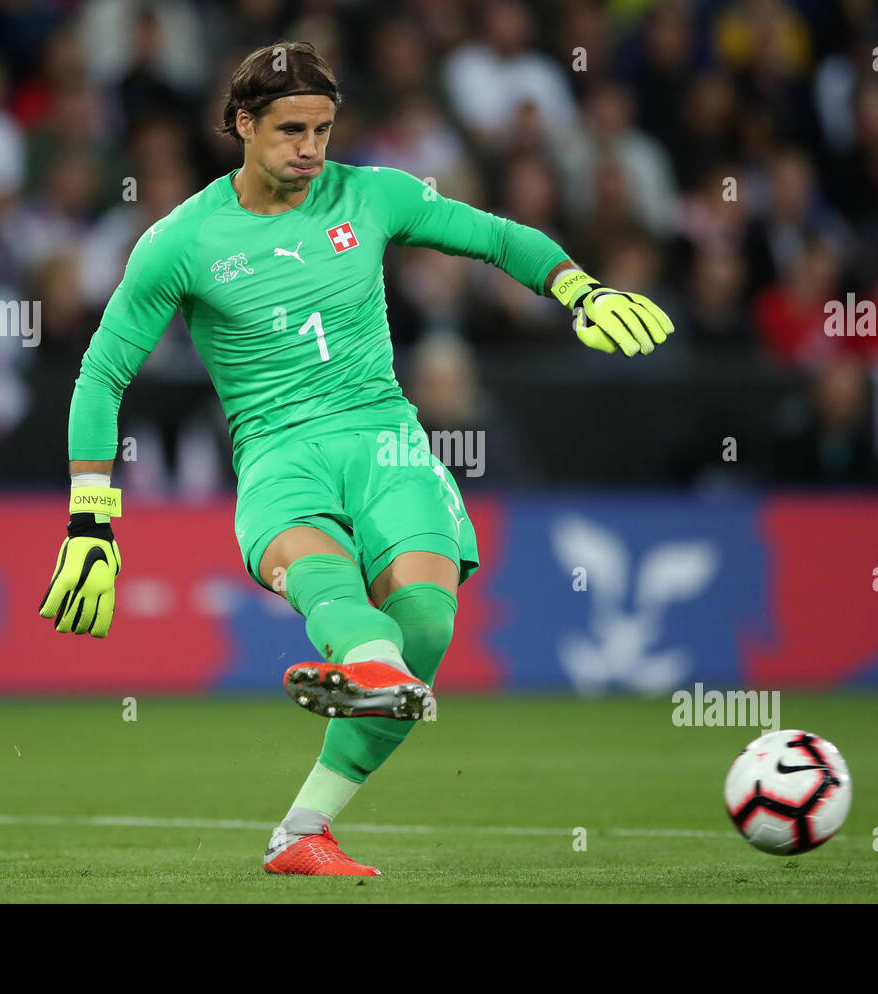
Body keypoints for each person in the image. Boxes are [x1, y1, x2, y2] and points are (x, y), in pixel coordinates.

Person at [37, 41, 673, 876]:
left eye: (323, 129)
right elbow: (101, 373)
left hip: (388, 443)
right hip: (277, 456)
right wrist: (93, 515)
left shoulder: (373, 196)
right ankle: (361, 665)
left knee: (426, 627)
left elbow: (494, 235)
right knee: (345, 608)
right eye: (290, 129)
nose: (310, 148)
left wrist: (578, 288)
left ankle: (305, 826)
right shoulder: (180, 240)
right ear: (241, 124)